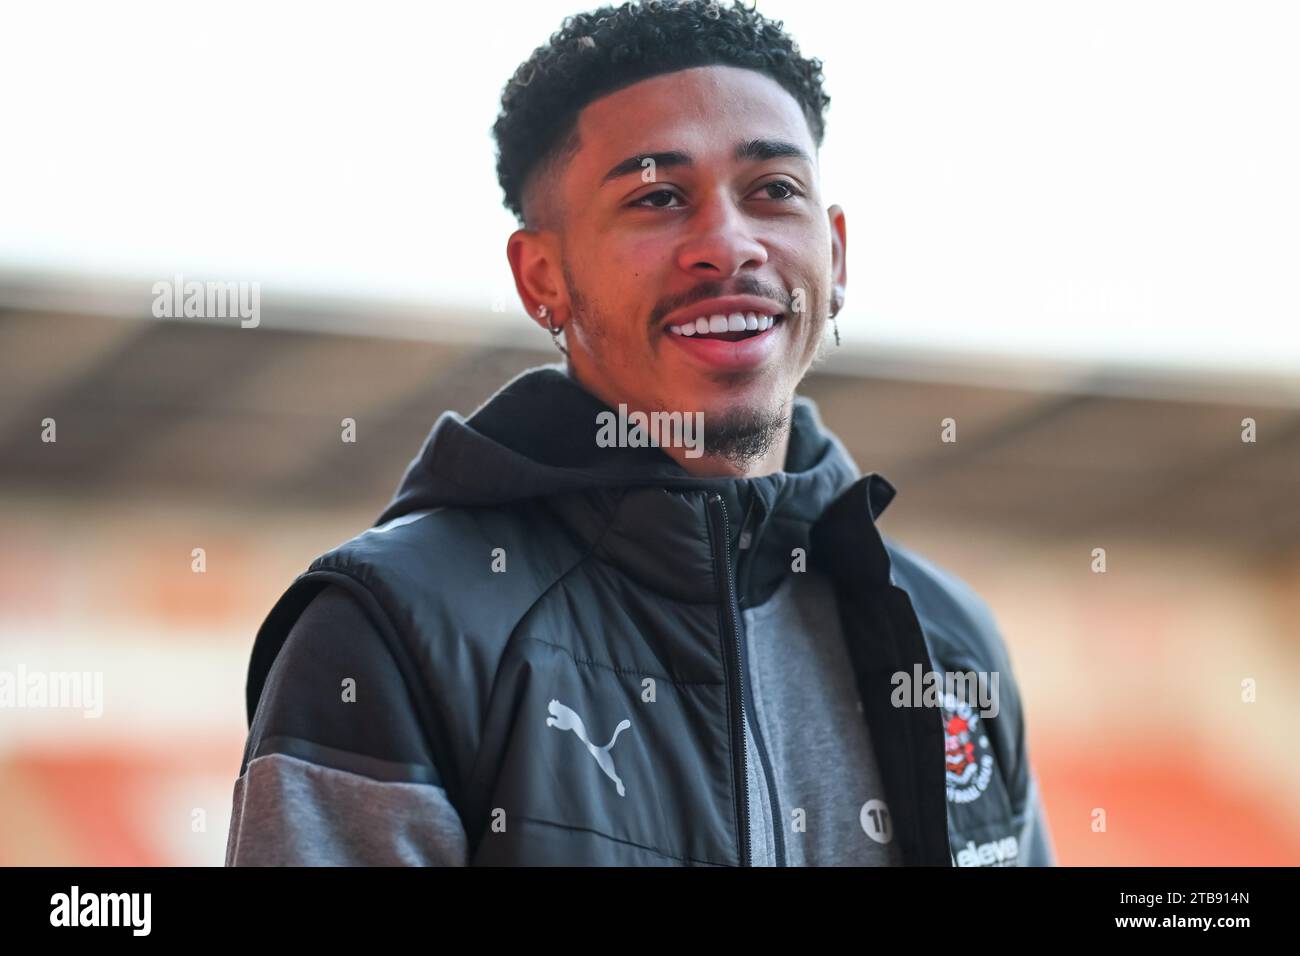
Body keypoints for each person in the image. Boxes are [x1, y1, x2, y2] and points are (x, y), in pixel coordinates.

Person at [225, 0, 1055, 867]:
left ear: (836, 254)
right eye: (658, 197)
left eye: (773, 190)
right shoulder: (391, 631)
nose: (728, 246)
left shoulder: (946, 636)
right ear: (542, 276)